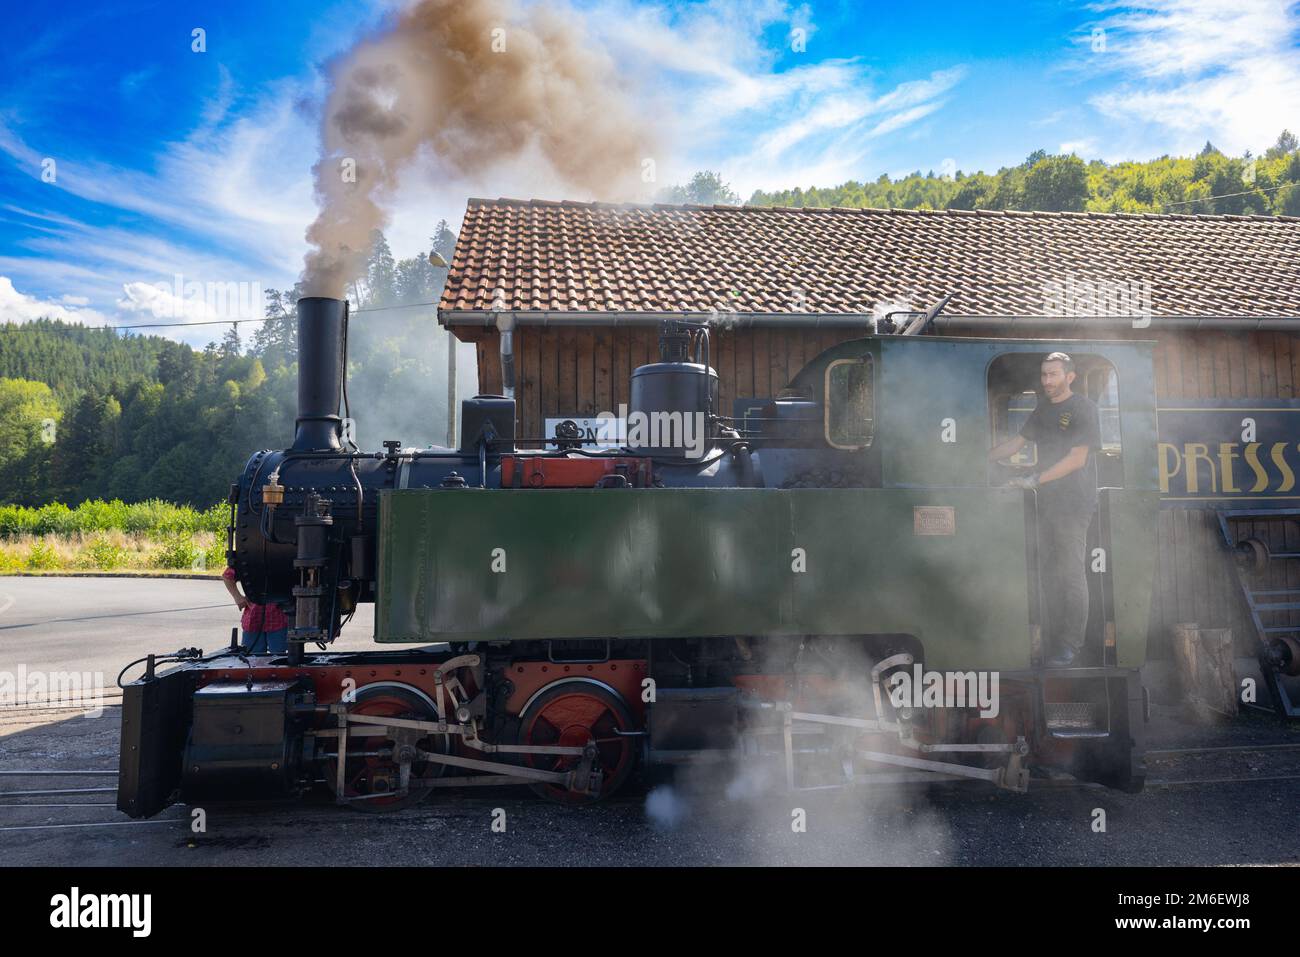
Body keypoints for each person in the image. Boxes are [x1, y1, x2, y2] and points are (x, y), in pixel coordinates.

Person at [988, 352, 1101, 668]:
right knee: (1049, 572)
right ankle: (1049, 640)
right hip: (1048, 503)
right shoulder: (1042, 410)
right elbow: (1016, 444)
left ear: (1070, 376)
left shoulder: (1083, 409)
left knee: (1071, 573)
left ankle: (1071, 646)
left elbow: (1078, 459)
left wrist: (1035, 479)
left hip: (1074, 503)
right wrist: (980, 458)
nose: (1047, 381)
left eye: (1053, 374)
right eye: (1044, 375)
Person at [222, 566, 289, 654]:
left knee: (279, 660)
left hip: (278, 618)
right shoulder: (249, 554)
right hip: (254, 618)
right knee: (252, 659)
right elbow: (227, 576)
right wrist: (237, 597)